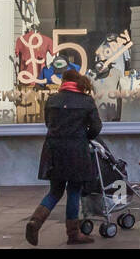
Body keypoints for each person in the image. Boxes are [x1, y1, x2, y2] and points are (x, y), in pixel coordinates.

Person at [25, 69, 102, 246]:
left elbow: (48, 124)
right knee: (74, 191)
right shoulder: (86, 100)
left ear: (64, 82)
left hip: (54, 151)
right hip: (76, 151)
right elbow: (97, 127)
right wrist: (85, 136)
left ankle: (35, 222)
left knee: (55, 191)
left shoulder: (52, 100)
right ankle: (73, 234)